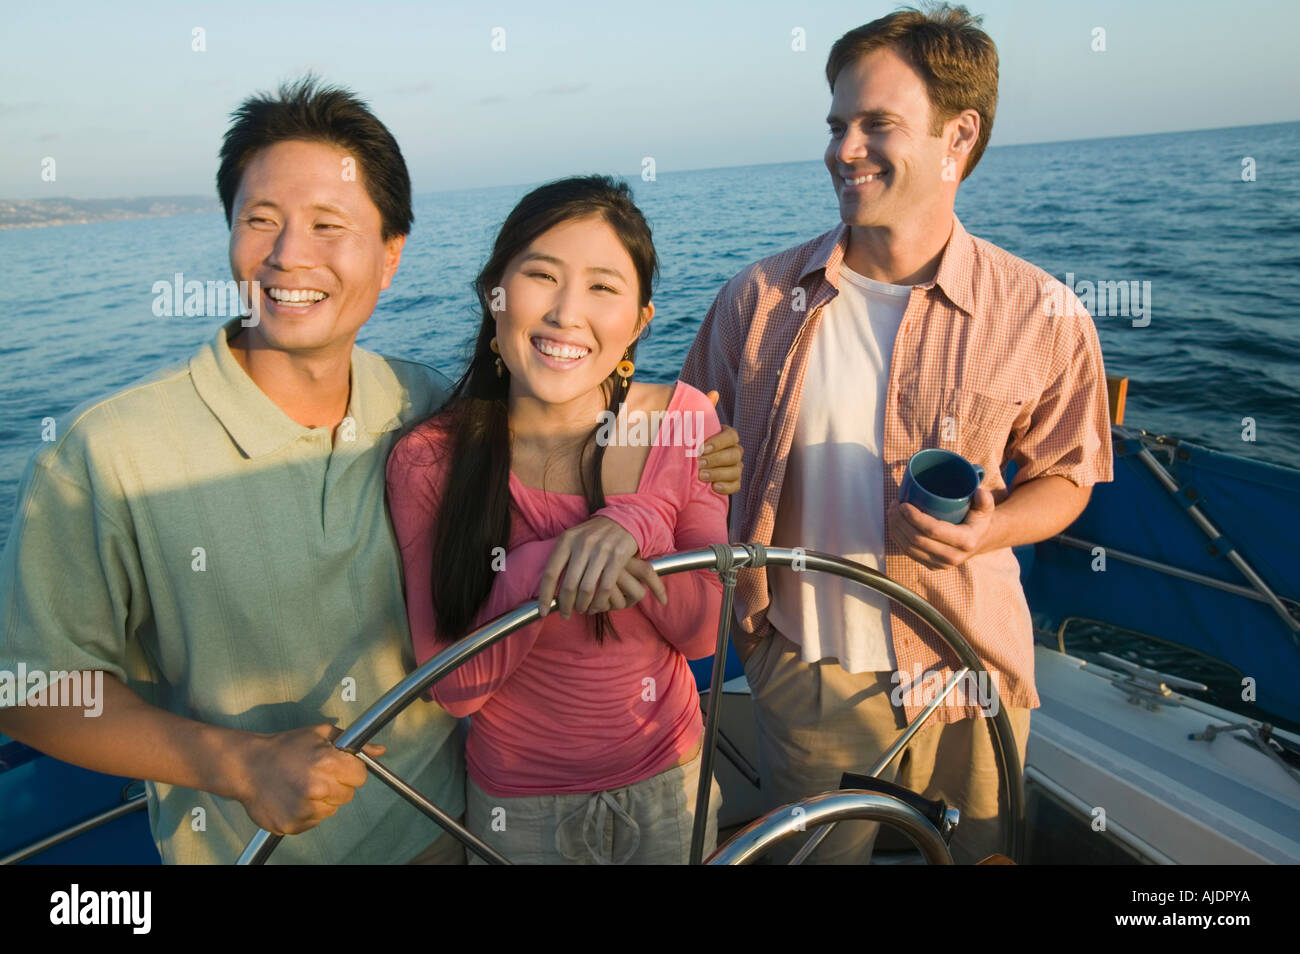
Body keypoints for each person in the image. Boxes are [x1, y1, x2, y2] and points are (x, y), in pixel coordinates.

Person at [0, 79, 744, 864]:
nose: (290, 255)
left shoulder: (415, 405)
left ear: (391, 256)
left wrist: (691, 463)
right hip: (256, 847)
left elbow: (592, 431)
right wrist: (237, 763)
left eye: (329, 225)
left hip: (448, 827)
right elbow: (30, 690)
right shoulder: (107, 454)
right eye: (261, 221)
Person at [680, 4, 1114, 865]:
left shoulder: (1042, 312)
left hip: (969, 666)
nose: (844, 149)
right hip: (808, 669)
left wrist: (992, 527)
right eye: (838, 124)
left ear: (959, 137)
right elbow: (681, 448)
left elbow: (1068, 475)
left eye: (878, 124)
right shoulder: (757, 300)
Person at [386, 175, 730, 864]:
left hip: (672, 780)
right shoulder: (427, 462)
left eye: (603, 287)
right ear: (495, 295)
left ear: (638, 322)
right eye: (542, 276)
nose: (567, 313)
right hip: (520, 809)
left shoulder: (684, 420)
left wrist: (639, 521)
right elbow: (454, 688)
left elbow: (700, 634)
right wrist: (548, 565)